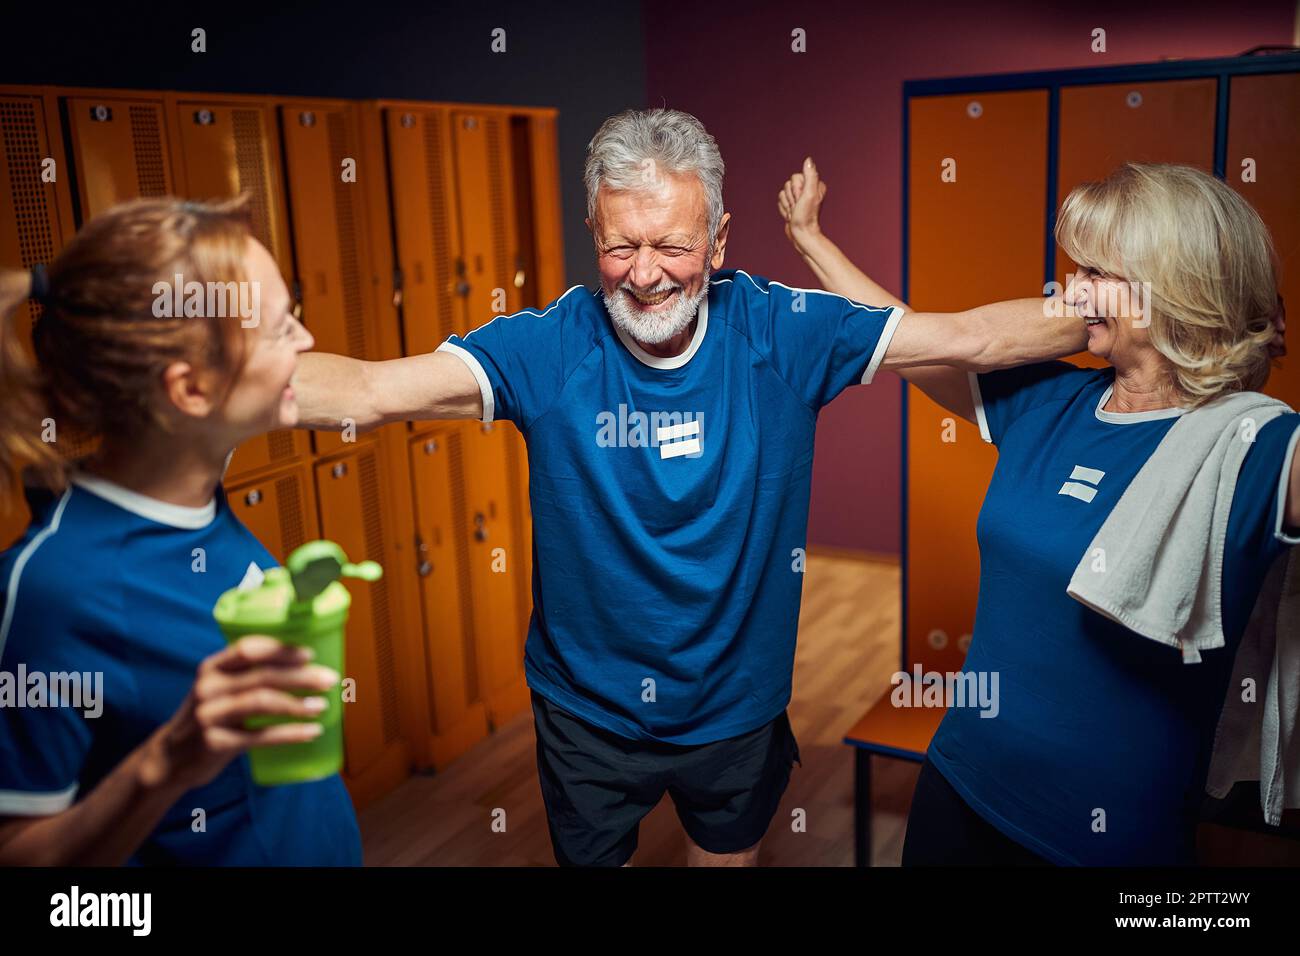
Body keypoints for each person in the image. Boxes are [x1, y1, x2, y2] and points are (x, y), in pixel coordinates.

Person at [293, 107, 1086, 867]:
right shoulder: (549, 347)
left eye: (670, 246)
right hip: (585, 712)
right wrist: (211, 374)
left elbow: (970, 335)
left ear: (717, 242)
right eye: (619, 246)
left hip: (735, 705)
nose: (642, 276)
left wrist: (1126, 304)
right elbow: (368, 391)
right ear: (594, 236)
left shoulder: (782, 329)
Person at [779, 157, 1299, 865]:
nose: (1069, 289)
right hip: (959, 786)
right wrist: (812, 240)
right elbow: (904, 336)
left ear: (1175, 287)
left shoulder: (1255, 445)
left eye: (1095, 273)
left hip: (1105, 841)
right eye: (1072, 269)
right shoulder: (1055, 401)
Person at [0, 197, 362, 865]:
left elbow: (364, 395)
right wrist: (167, 760)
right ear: (191, 391)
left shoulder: (194, 486)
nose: (308, 342)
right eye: (282, 328)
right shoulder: (51, 592)